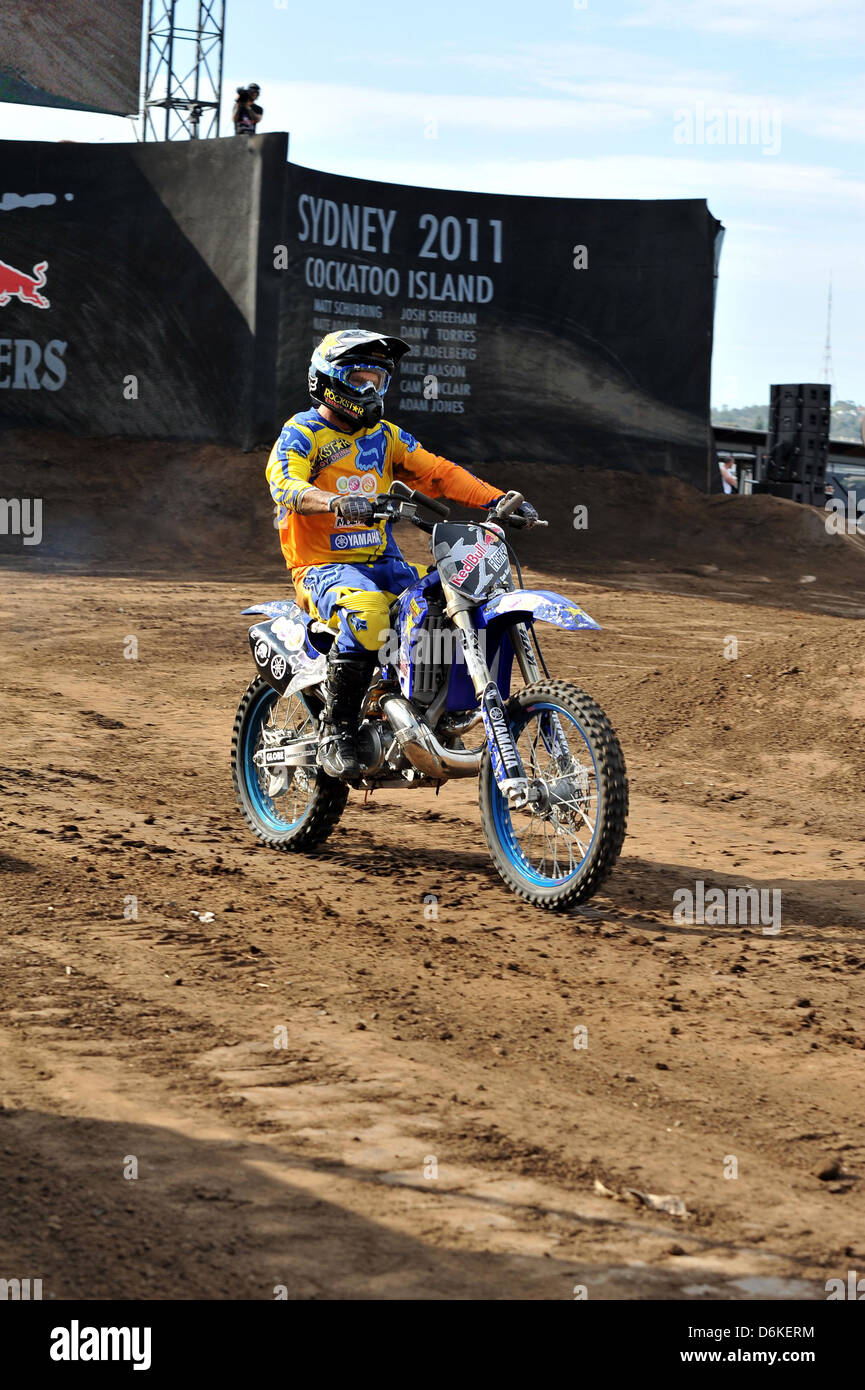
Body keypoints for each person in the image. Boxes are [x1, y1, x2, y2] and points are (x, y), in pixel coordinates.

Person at [266, 329, 538, 778]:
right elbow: (285, 483)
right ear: (329, 380)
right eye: (360, 379)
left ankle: (435, 703)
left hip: (385, 563)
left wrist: (497, 500)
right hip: (322, 567)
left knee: (453, 592)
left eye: (378, 380)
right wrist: (331, 500)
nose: (371, 390)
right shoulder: (302, 432)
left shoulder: (385, 436)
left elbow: (438, 472)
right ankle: (337, 730)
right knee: (371, 614)